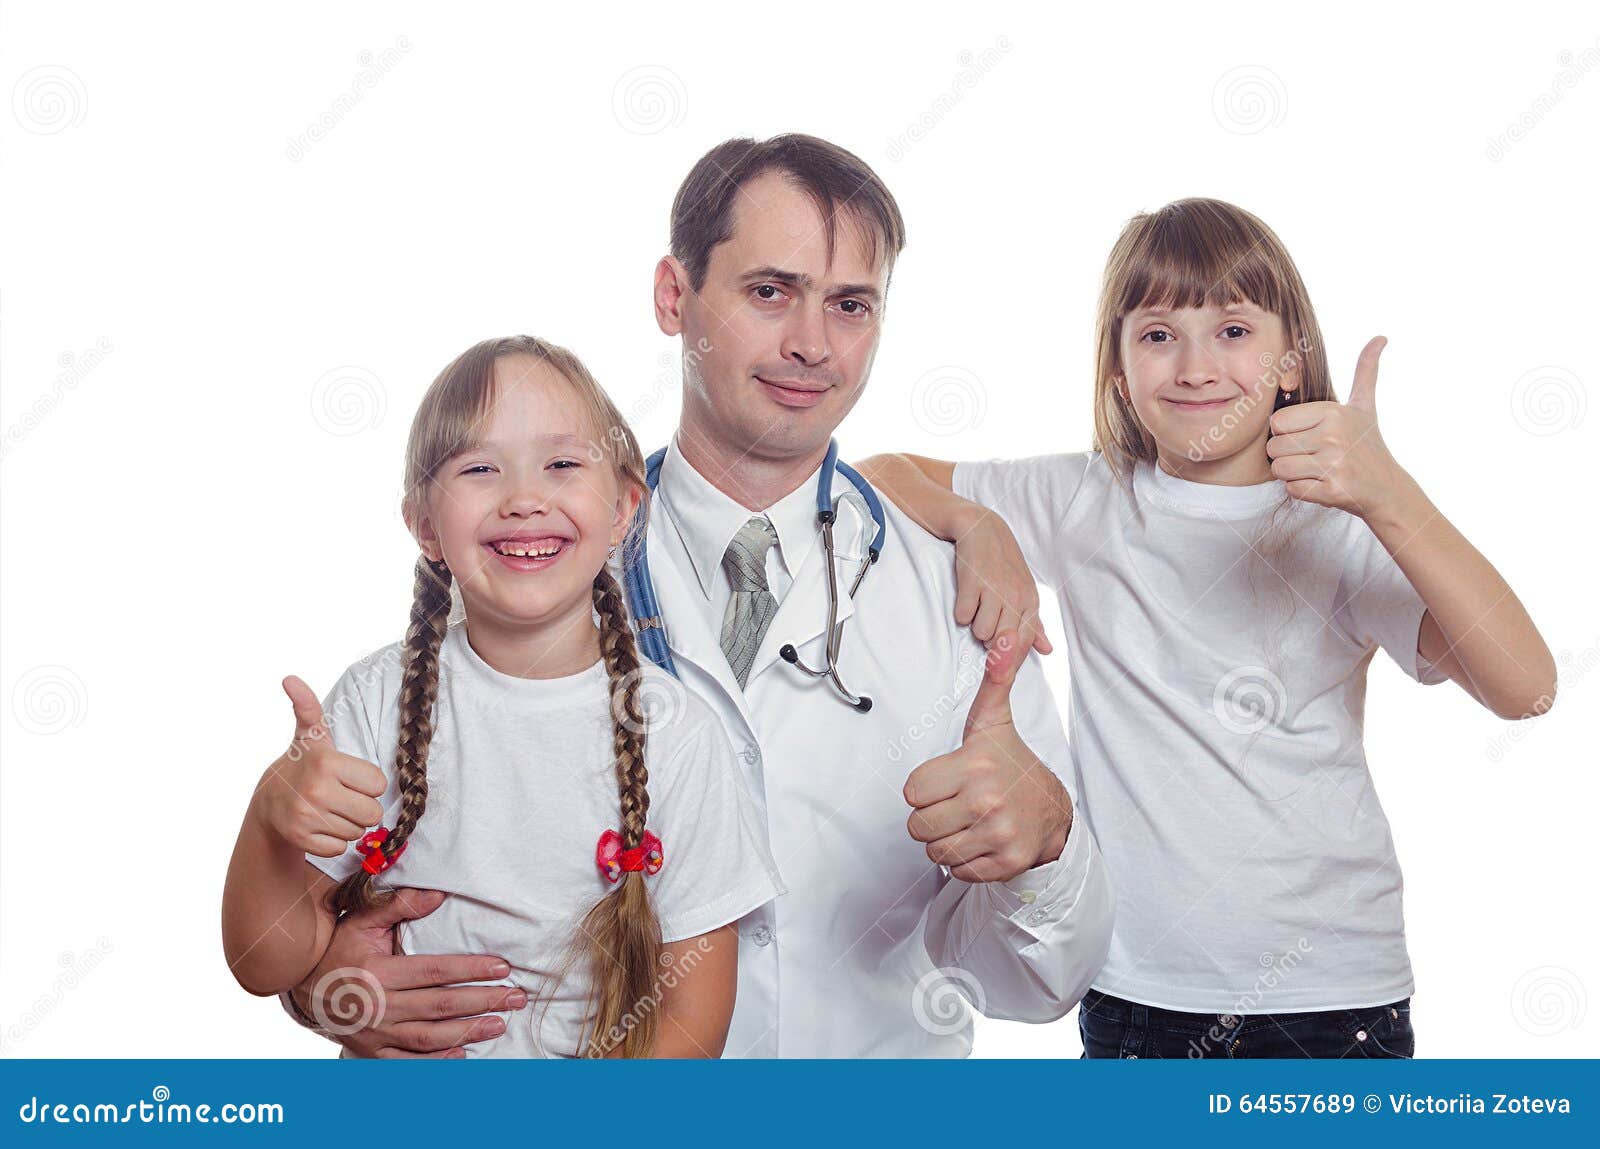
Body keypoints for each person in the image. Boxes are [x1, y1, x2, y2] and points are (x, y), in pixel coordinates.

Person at [281, 135, 1114, 1058]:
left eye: (850, 306)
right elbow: (373, 867)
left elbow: (1038, 987)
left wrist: (1048, 842)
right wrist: (322, 979)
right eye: (770, 291)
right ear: (674, 297)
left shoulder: (954, 595)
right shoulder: (538, 548)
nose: (811, 344)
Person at [859, 197, 1557, 1058]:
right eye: (1158, 335)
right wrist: (979, 526)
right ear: (1117, 371)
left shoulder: (1341, 523)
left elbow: (1527, 687)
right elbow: (878, 474)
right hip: (1135, 993)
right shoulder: (1086, 499)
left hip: (1333, 999)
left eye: (1232, 330)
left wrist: (1389, 493)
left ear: (1291, 362)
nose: (1194, 366)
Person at [226, 335, 782, 1057]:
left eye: (560, 463)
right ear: (426, 524)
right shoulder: (372, 703)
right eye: (480, 468)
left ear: (621, 509)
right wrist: (271, 816)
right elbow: (264, 962)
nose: (524, 498)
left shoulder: (677, 734)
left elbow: (692, 1019)